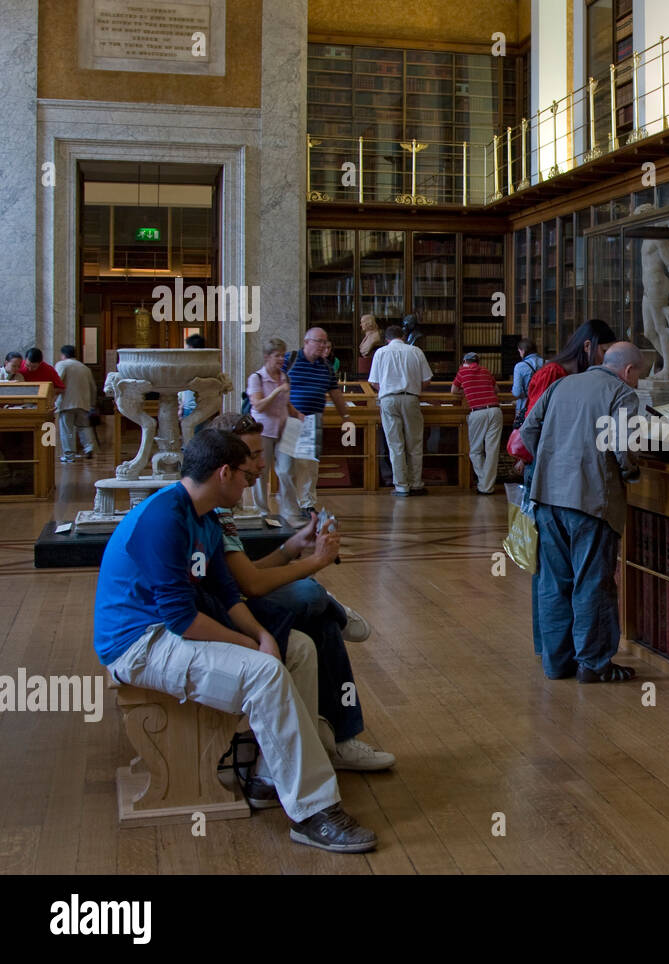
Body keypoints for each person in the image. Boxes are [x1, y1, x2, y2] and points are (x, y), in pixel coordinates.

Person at [92, 429, 376, 852]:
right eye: (246, 473)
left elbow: (226, 592)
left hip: (168, 629)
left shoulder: (203, 516)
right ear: (224, 472)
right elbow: (182, 618)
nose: (251, 481)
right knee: (263, 673)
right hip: (138, 644)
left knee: (296, 647)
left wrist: (262, 634)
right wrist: (249, 646)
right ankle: (313, 812)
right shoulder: (163, 517)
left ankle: (266, 777)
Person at [205, 413, 395, 773]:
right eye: (254, 454)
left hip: (229, 601)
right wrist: (318, 561)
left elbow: (244, 573)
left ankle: (339, 741)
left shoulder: (223, 509)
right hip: (221, 616)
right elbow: (250, 586)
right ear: (225, 462)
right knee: (309, 595)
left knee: (319, 623)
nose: (263, 463)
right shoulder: (211, 508)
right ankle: (331, 607)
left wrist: (294, 546)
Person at [521, 341, 643, 683]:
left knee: (553, 582)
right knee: (593, 583)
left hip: (547, 496)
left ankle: (556, 663)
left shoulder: (562, 383)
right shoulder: (622, 394)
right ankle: (593, 663)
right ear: (628, 371)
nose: (638, 383)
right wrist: (630, 472)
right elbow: (624, 448)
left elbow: (529, 430)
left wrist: (551, 460)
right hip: (592, 501)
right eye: (639, 376)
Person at [517, 320, 618, 662]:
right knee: (556, 573)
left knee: (555, 574)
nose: (608, 362)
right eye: (604, 351)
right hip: (557, 479)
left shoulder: (569, 378)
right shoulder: (554, 374)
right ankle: (562, 650)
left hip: (553, 479)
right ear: (588, 346)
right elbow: (532, 424)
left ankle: (556, 656)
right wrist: (554, 458)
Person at [286, 328, 351, 520]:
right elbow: (277, 383)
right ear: (307, 342)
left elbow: (335, 393)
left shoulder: (326, 366)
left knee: (309, 465)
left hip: (312, 420)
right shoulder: (291, 359)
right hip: (289, 419)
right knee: (286, 465)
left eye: (325, 342)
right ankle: (289, 503)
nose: (324, 346)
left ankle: (306, 504)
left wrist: (346, 416)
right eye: (319, 341)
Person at [369, 325, 433, 496]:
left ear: (386, 339)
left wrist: (387, 388)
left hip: (388, 399)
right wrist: (412, 386)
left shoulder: (380, 353)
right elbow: (427, 380)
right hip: (411, 398)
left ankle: (401, 486)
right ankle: (416, 483)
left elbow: (374, 382)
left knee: (395, 444)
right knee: (415, 443)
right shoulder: (415, 351)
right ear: (403, 336)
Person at [246, 336, 303, 516]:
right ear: (267, 357)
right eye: (277, 356)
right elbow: (258, 405)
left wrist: (297, 414)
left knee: (286, 471)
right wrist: (278, 391)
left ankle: (290, 512)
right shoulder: (256, 378)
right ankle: (263, 512)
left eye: (283, 356)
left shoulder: (284, 377)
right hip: (264, 431)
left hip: (285, 429)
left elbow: (286, 404)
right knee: (261, 472)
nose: (281, 360)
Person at [451, 351, 502, 495]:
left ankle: (484, 484)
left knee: (475, 451)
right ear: (477, 362)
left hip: (477, 412)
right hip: (495, 410)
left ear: (464, 362)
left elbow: (453, 390)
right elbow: (496, 389)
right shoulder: (485, 370)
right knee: (492, 451)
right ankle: (486, 485)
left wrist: (466, 391)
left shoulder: (462, 372)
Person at [55, 345, 96, 462]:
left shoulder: (62, 365)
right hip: (83, 403)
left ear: (63, 355)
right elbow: (93, 387)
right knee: (84, 427)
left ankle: (69, 454)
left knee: (67, 430)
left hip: (67, 403)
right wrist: (92, 404)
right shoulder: (84, 368)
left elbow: (57, 382)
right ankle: (89, 447)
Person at [510, 338, 544, 428]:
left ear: (523, 350)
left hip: (525, 406)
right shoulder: (546, 363)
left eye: (519, 351)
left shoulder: (520, 366)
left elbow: (516, 392)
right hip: (543, 406)